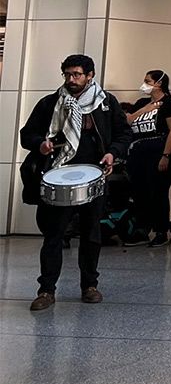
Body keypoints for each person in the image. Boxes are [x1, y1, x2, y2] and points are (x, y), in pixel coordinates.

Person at [20, 54, 132, 311]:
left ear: (90, 75)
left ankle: (89, 286)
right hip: (57, 175)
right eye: (67, 74)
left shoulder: (105, 103)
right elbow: (27, 135)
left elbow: (124, 133)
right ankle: (46, 290)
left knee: (92, 234)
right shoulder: (50, 103)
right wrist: (41, 144)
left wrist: (112, 153)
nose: (71, 79)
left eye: (77, 74)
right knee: (54, 235)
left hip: (94, 175)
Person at [124, 69, 171, 246]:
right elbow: (127, 121)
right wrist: (145, 109)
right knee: (139, 193)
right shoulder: (142, 102)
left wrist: (166, 155)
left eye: (148, 81)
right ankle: (142, 228)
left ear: (159, 83)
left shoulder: (170, 104)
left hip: (158, 150)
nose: (144, 84)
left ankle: (160, 230)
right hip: (138, 152)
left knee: (158, 193)